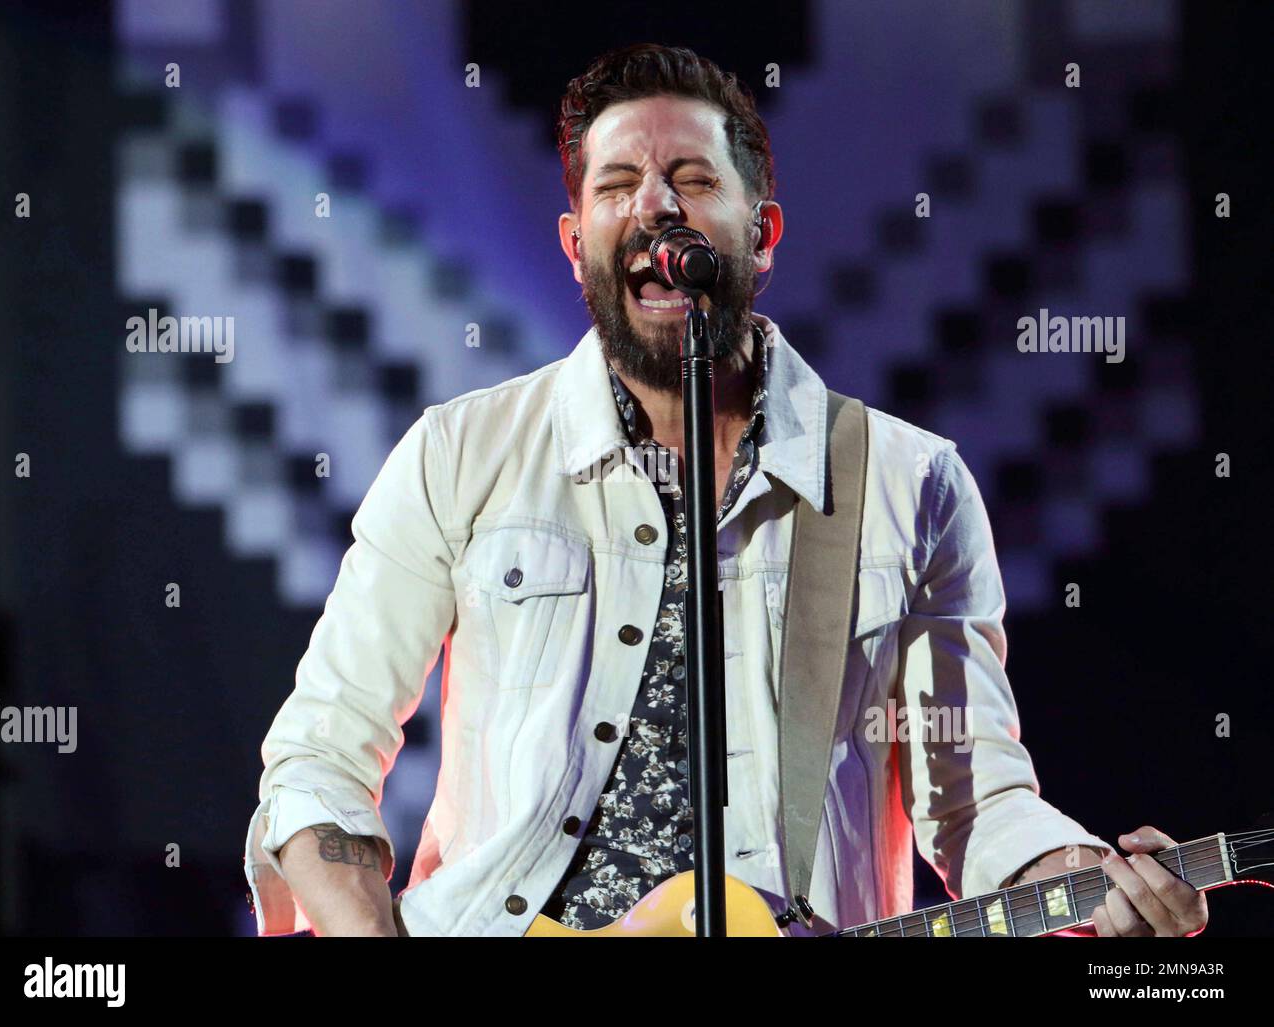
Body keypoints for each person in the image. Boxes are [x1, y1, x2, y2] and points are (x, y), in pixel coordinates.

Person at [244, 43, 1207, 939]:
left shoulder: (908, 484)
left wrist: (1072, 865)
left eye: (694, 181)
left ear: (763, 233)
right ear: (578, 243)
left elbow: (973, 795)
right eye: (618, 186)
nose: (656, 208)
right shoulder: (459, 453)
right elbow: (318, 760)